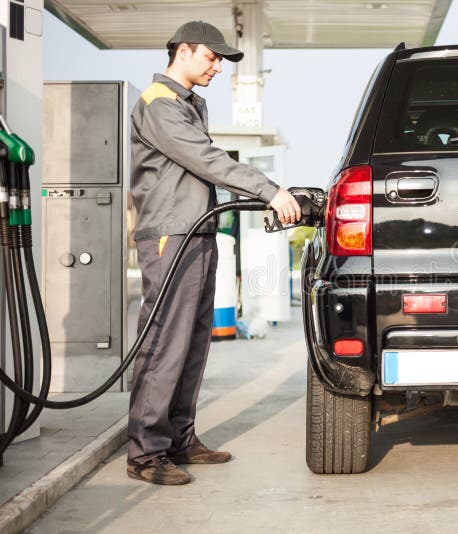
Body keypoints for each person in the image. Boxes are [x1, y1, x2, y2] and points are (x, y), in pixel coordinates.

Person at [126, 20, 301, 485]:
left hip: (196, 234)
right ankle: (145, 453)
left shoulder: (187, 105)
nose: (218, 67)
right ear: (183, 52)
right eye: (211, 57)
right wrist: (270, 190)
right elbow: (207, 160)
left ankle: (179, 439)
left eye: (221, 59)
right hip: (170, 237)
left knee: (193, 344)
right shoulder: (160, 104)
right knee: (165, 344)